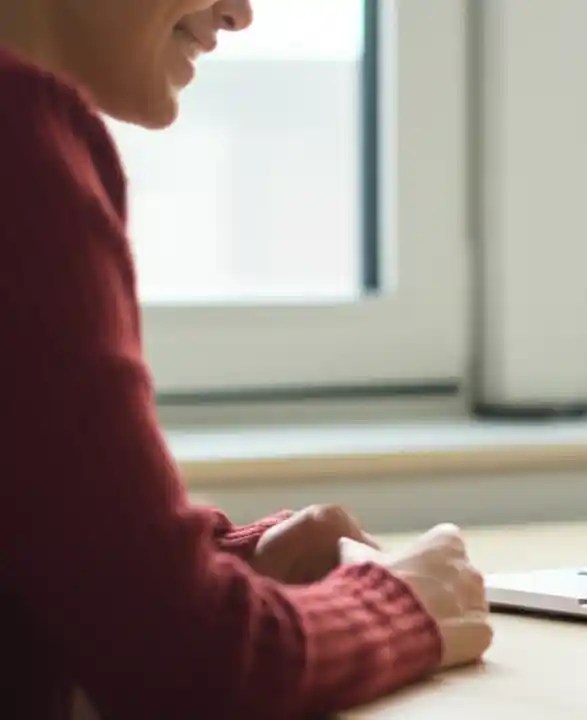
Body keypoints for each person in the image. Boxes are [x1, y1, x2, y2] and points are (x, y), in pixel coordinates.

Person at [0, 2, 492, 718]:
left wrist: (218, 569)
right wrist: (406, 603)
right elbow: (188, 665)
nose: (240, 12)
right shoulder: (18, 152)